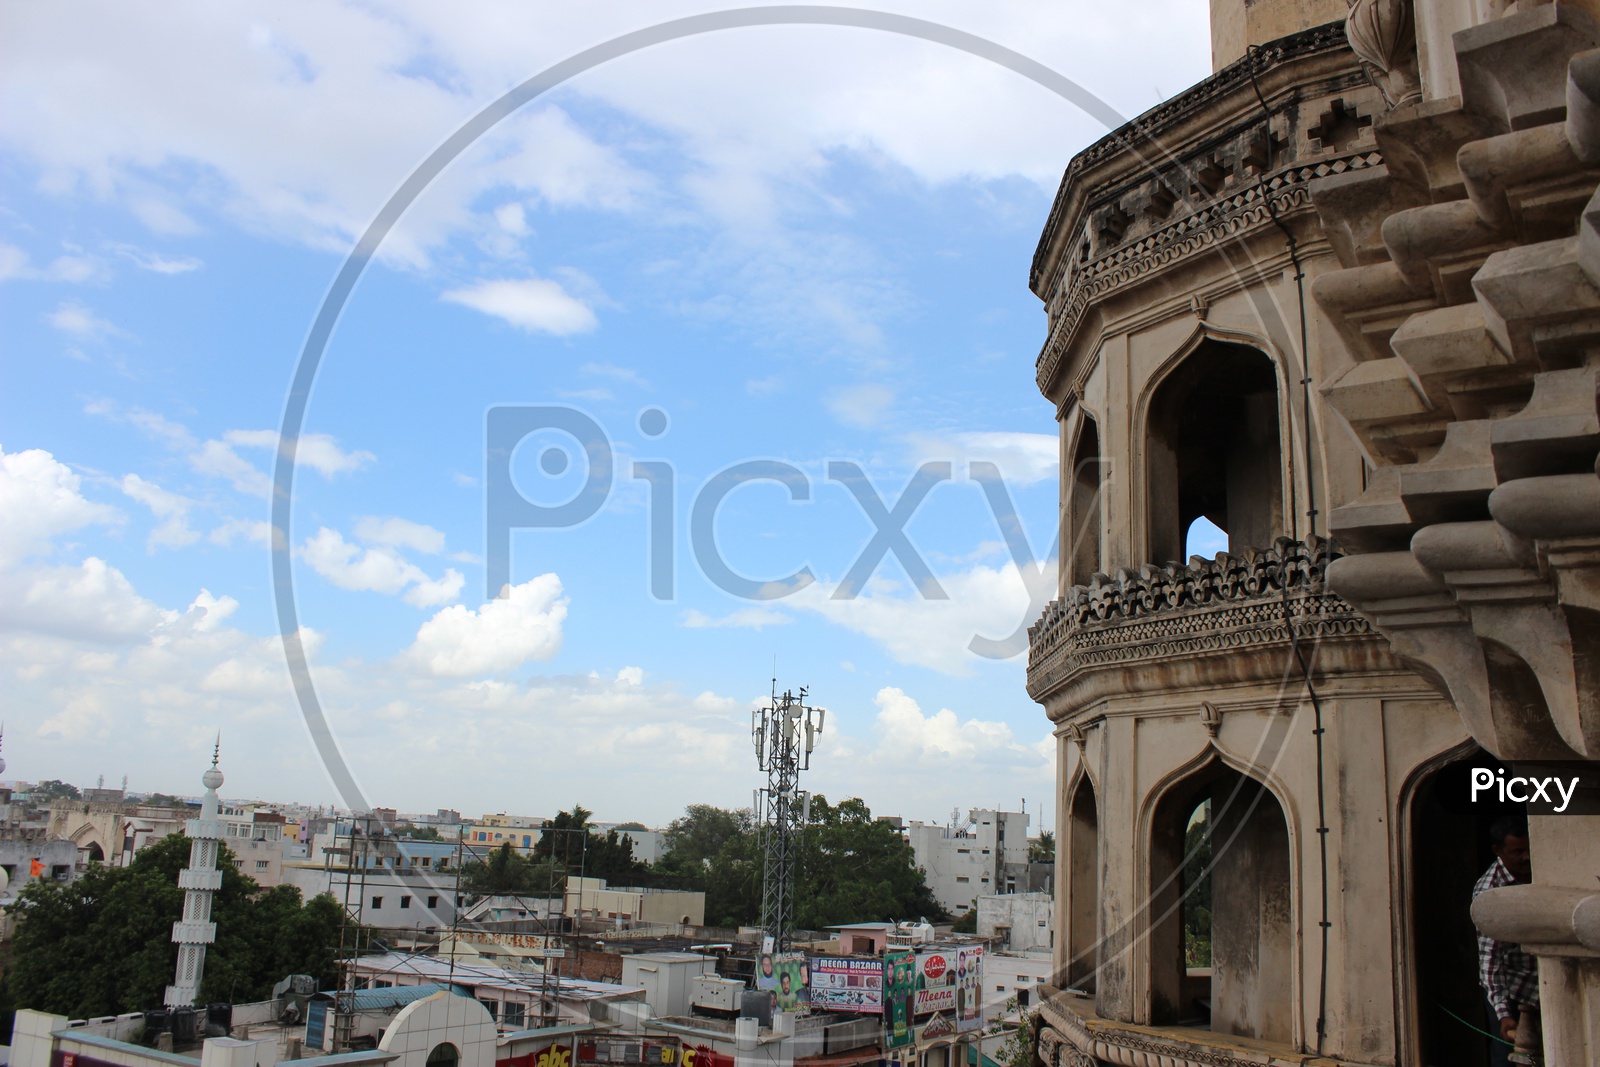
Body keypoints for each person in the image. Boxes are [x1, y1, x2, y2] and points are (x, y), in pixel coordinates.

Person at [1473, 813, 1537, 1065]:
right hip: (1510, 993)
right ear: (1498, 851)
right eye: (1518, 851)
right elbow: (1490, 959)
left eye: (1529, 849)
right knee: (1510, 1057)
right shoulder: (1490, 893)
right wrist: (1503, 1013)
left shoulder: (1542, 869)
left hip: (1541, 985)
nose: (1527, 857)